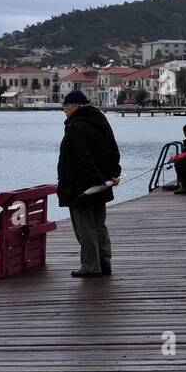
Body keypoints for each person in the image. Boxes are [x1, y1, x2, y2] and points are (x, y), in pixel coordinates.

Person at [56, 89, 122, 277]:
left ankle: (91, 266)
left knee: (84, 227)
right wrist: (110, 176)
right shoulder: (101, 121)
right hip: (103, 184)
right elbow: (113, 150)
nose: (65, 111)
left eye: (66, 107)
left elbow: (81, 158)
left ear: (76, 105)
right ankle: (104, 262)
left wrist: (97, 179)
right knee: (99, 224)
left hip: (82, 187)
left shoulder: (76, 127)